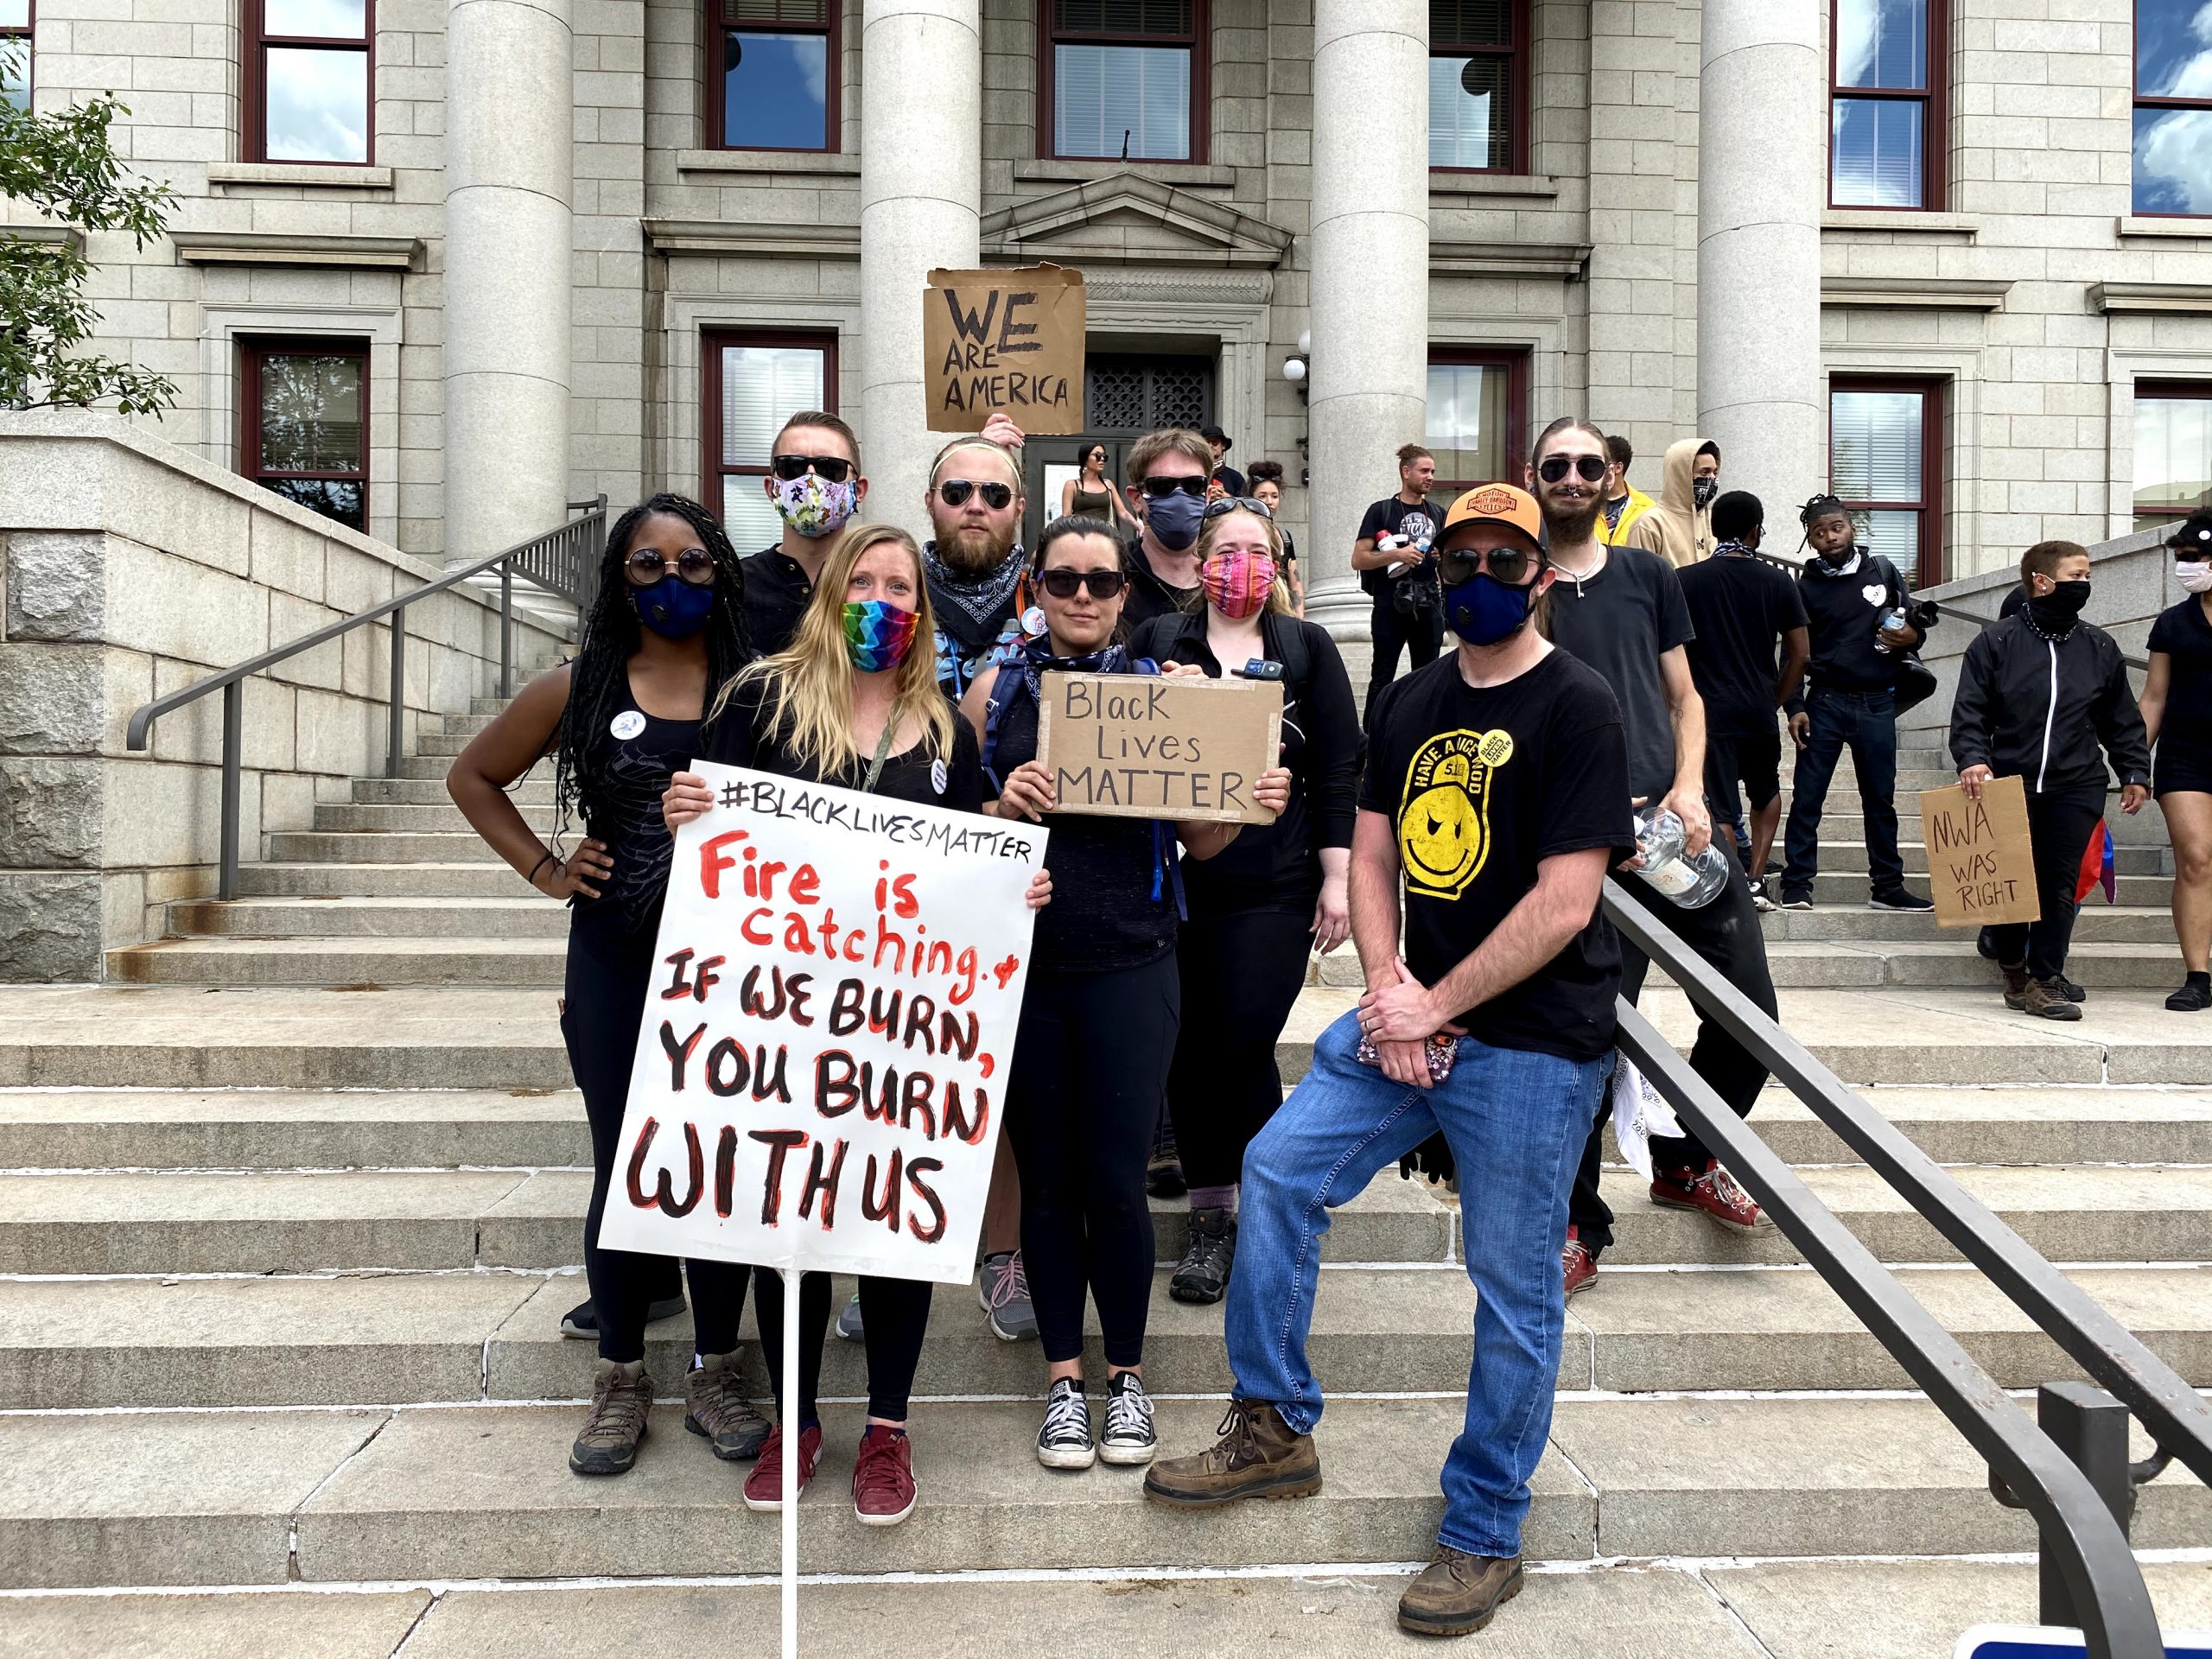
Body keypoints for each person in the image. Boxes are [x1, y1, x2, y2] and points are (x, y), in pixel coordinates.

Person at [1143, 482, 1630, 1642]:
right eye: (1459, 556)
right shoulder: (1411, 695)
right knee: (1277, 1168)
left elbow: (1567, 901)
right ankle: (1273, 1423)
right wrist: (1384, 992)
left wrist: (1437, 1007)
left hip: (1530, 1042)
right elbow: (1368, 856)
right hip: (1409, 1017)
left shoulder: (1580, 705)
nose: (1478, 579)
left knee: (1514, 1291)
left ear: (1541, 577)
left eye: (1502, 560)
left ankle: (1484, 1525)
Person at [661, 522, 1052, 1523]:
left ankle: (887, 1425)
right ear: (833, 587)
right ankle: (797, 1421)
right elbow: (718, 840)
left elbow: (968, 855)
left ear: (923, 607)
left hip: (901, 1025)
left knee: (892, 1225)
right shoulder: (761, 700)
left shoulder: (945, 729)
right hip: (780, 1016)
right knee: (779, 1220)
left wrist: (1014, 882)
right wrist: (687, 810)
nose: (886, 598)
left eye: (903, 584)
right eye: (867, 580)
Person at [960, 514, 1289, 1474]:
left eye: (1101, 584)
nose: (1081, 597)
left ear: (1123, 597)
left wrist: (1241, 802)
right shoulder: (994, 689)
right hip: (1027, 968)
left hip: (1136, 963)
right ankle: (1064, 1381)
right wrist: (997, 803)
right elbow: (944, 822)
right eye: (1062, 580)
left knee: (1115, 1182)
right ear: (1036, 587)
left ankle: (1127, 1378)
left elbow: (1207, 844)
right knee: (1051, 1183)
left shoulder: (1168, 696)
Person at [447, 493, 763, 1479]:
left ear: (721, 574)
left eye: (693, 563)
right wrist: (547, 869)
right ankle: (622, 1373)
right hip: (618, 957)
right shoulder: (576, 684)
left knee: (715, 1163)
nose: (672, 581)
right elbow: (472, 778)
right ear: (617, 579)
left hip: (735, 967)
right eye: (647, 565)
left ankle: (718, 1367)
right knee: (627, 1161)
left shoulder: (761, 692)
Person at [1533, 417, 1778, 1298]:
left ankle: (1684, 1157)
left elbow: (1685, 696)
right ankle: (1576, 1224)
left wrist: (1687, 790)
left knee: (1751, 1016)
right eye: (1554, 464)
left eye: (1585, 464)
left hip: (1680, 834)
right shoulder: (1516, 582)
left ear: (1611, 480)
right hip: (1581, 850)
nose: (1570, 476)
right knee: (1587, 1039)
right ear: (1535, 478)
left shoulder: (1647, 575)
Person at [1130, 499, 1360, 1305]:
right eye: (1225, 550)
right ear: (1199, 565)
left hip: (1276, 883)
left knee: (1239, 1036)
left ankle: (1271, 1203)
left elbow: (1338, 770)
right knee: (1190, 1047)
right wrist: (1159, 697)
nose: (1240, 565)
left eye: (1256, 551)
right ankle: (1213, 1218)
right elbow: (1118, 745)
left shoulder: (1307, 647)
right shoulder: (1160, 642)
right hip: (1177, 886)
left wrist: (1339, 879)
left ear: (1279, 564)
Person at [1950, 541, 2152, 1020]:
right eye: (2076, 575)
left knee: (2058, 884)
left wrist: (2134, 770)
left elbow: (2121, 719)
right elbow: (1971, 711)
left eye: (2087, 576)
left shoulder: (2099, 646)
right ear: (2043, 581)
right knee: (2012, 885)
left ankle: (2044, 981)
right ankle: (2013, 965)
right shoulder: (1996, 642)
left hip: (2076, 782)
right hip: (2008, 781)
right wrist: (1974, 758)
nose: (2085, 584)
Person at [1777, 495, 1935, 914]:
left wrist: (1914, 638)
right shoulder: (1803, 588)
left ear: (1852, 527)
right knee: (1808, 797)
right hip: (1824, 702)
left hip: (1878, 704)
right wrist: (1794, 706)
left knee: (1880, 800)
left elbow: (1911, 629)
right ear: (1810, 540)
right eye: (1819, 532)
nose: (1829, 537)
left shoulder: (1882, 571)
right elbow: (1792, 653)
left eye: (1836, 528)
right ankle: (1796, 885)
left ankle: (1888, 886)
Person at [1677, 491, 1808, 909]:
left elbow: (1670, 650)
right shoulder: (1778, 581)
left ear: (1713, 529)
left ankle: (1732, 885)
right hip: (1757, 709)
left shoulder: (1686, 580)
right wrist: (1777, 698)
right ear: (1756, 531)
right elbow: (1801, 651)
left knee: (1720, 805)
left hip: (1707, 711)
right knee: (1765, 792)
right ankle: (1756, 879)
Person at [2145, 512, 2212, 1012]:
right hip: (2186, 754)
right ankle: (2197, 975)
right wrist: (2130, 764)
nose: (2188, 568)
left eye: (2196, 558)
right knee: (2196, 858)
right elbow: (2154, 698)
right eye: (2183, 559)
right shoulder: (2172, 621)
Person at [741, 410, 868, 655]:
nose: (810, 480)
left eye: (830, 469)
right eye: (791, 467)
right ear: (771, 489)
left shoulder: (877, 587)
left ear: (859, 489)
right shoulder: (736, 586)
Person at [923, 416, 1031, 702]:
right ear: (929, 502)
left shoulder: (1050, 594)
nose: (975, 507)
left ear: (1019, 509)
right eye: (955, 492)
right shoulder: (897, 591)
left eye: (995, 495)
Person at [1352, 443, 1445, 716]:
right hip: (1390, 604)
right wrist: (1397, 555)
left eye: (1433, 472)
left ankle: (1420, 731)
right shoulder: (1381, 511)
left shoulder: (1439, 513)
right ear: (1406, 472)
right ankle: (1370, 741)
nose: (1430, 476)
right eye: (1424, 471)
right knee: (1382, 675)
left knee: (1428, 676)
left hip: (1428, 602)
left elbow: (1451, 562)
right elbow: (1358, 559)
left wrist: (1444, 556)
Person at [1116, 427, 1215, 634]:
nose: (1180, 497)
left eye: (1194, 485)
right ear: (1136, 498)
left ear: (1207, 495)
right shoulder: (1114, 574)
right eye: (1162, 485)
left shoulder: (1229, 575)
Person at [1628, 437, 1719, 568]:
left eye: (1715, 473)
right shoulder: (1649, 524)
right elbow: (1640, 580)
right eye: (1704, 472)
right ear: (1682, 475)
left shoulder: (1713, 520)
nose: (1712, 478)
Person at [1245, 461, 1305, 613]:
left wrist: (1300, 619)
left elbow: (1295, 582)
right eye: (1262, 496)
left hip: (1283, 609)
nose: (1269, 502)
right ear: (1251, 497)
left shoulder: (1284, 536)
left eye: (1274, 496)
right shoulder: (1243, 532)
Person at [1598, 433, 1654, 549]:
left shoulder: (1647, 508)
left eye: (1600, 463)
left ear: (1618, 468)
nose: (1594, 468)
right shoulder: (1585, 503)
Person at [1059, 440, 1128, 530]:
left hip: (1104, 536)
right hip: (1081, 536)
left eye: (1104, 456)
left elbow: (1123, 513)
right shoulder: (1072, 485)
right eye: (1098, 456)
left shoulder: (1108, 484)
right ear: (1086, 459)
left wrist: (1140, 527)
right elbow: (1066, 517)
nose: (1102, 459)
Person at [1200, 424, 1246, 497]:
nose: (1210, 446)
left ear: (1223, 445)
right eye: (1206, 443)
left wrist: (1227, 498)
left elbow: (1245, 505)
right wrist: (1205, 497)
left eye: (1215, 442)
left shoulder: (1235, 477)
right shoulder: (1194, 475)